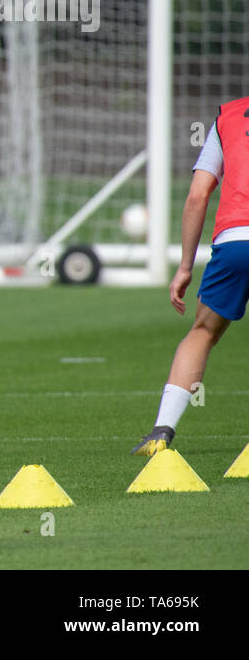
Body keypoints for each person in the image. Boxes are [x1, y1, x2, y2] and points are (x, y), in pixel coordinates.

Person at [132, 99, 249, 456]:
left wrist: (185, 266)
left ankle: (161, 432)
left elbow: (198, 197)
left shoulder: (227, 117)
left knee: (203, 331)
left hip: (235, 241)